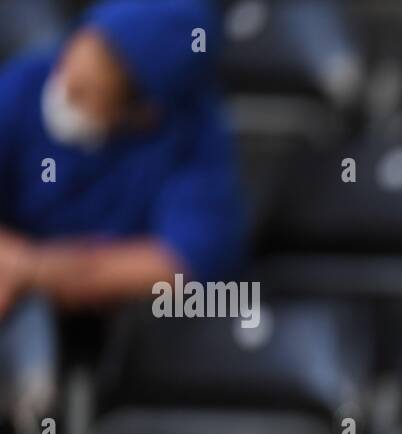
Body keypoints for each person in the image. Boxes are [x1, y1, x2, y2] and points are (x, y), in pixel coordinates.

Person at [0, 0, 245, 318]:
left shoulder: (189, 142)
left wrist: (36, 269)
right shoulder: (26, 84)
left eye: (82, 94)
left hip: (124, 327)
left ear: (144, 115)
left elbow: (179, 265)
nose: (62, 89)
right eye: (66, 65)